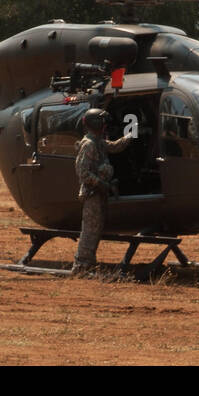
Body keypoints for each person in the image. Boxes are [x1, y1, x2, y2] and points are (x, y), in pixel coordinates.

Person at [72, 107, 133, 276]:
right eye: (104, 123)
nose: (106, 126)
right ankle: (81, 267)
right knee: (90, 231)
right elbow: (83, 172)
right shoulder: (89, 144)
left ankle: (87, 264)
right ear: (97, 123)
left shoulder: (98, 142)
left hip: (99, 193)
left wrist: (130, 134)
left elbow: (114, 147)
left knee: (96, 229)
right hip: (92, 194)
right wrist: (101, 184)